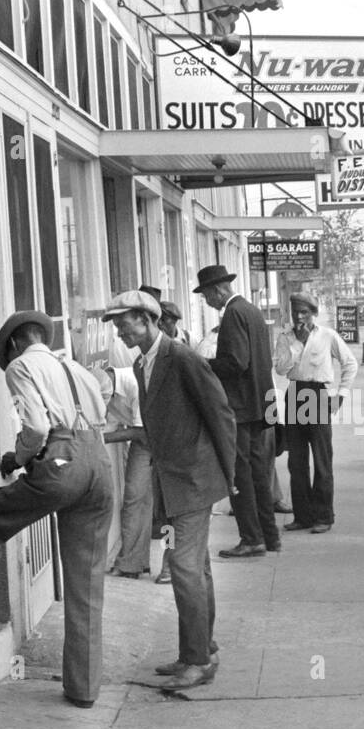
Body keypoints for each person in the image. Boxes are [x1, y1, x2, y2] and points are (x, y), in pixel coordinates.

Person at [0, 310, 113, 709]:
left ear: (15, 344)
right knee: (86, 583)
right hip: (99, 465)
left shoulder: (20, 367)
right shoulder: (74, 367)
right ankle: (83, 689)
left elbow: (35, 427)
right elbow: (103, 404)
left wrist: (17, 459)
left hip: (61, 463)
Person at [106, 290, 237, 690]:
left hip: (193, 481)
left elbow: (221, 415)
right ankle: (200, 649)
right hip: (175, 479)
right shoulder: (145, 361)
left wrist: (229, 478)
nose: (119, 331)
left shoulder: (181, 358)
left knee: (183, 569)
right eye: (115, 325)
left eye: (123, 323)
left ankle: (198, 661)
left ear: (146, 320)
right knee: (197, 569)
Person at [197, 264, 281, 559]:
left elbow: (236, 362)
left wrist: (204, 364)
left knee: (240, 476)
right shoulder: (252, 310)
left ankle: (251, 538)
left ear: (218, 290)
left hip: (242, 407)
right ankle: (270, 536)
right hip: (261, 402)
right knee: (259, 472)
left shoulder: (232, 314)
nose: (206, 302)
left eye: (206, 296)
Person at [273, 293, 359, 534]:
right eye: (295, 312)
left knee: (322, 460)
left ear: (313, 313)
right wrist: (296, 346)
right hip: (295, 393)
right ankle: (303, 516)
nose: (299, 317)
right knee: (296, 461)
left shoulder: (327, 336)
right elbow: (280, 369)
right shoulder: (285, 338)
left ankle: (324, 516)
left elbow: (350, 363)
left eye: (305, 312)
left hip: (318, 393)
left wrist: (340, 395)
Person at [99, 364, 151, 578]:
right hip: (146, 440)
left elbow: (140, 432)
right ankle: (133, 562)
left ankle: (165, 565)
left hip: (159, 438)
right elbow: (108, 425)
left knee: (144, 503)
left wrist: (101, 438)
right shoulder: (107, 388)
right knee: (137, 501)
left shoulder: (133, 382)